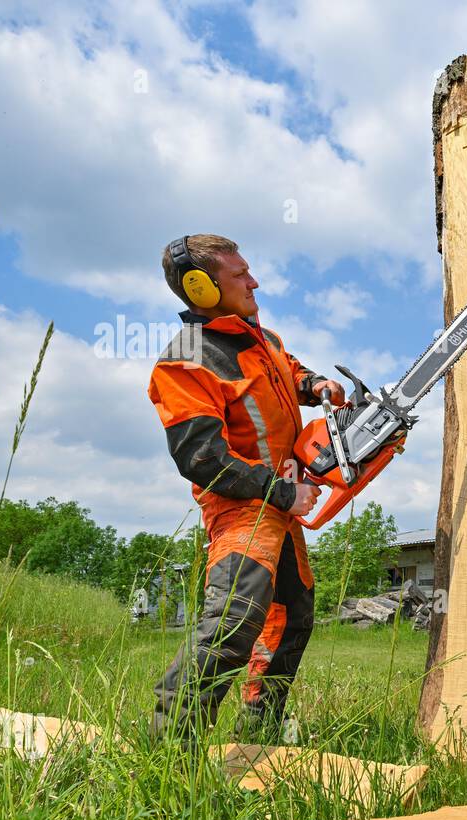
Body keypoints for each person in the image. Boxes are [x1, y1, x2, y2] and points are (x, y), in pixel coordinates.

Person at [146, 233, 346, 747]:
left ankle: (260, 731)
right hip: (241, 509)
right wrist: (281, 495)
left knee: (293, 616)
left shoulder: (264, 340)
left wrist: (318, 385)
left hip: (278, 506)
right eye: (240, 275)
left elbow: (290, 371)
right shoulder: (186, 359)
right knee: (234, 622)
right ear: (201, 287)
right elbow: (201, 458)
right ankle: (171, 751)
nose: (253, 281)